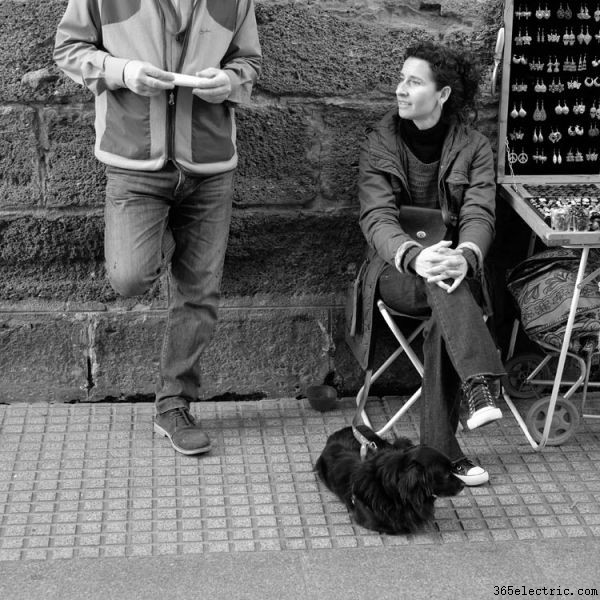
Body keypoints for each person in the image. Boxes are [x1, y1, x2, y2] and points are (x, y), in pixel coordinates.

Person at [54, 1, 261, 455]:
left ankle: (174, 405)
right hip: (134, 164)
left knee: (199, 291)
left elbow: (248, 62)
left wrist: (228, 81)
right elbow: (69, 49)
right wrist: (122, 71)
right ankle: (157, 235)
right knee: (130, 276)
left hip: (210, 165)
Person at [347, 41, 504, 486]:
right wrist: (418, 257)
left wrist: (466, 255)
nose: (401, 89)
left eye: (413, 82)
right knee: (445, 285)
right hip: (395, 271)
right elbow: (375, 217)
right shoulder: (380, 143)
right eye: (401, 79)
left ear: (443, 94)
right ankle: (479, 386)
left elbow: (479, 215)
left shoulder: (474, 147)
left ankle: (437, 452)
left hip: (454, 271)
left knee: (446, 301)